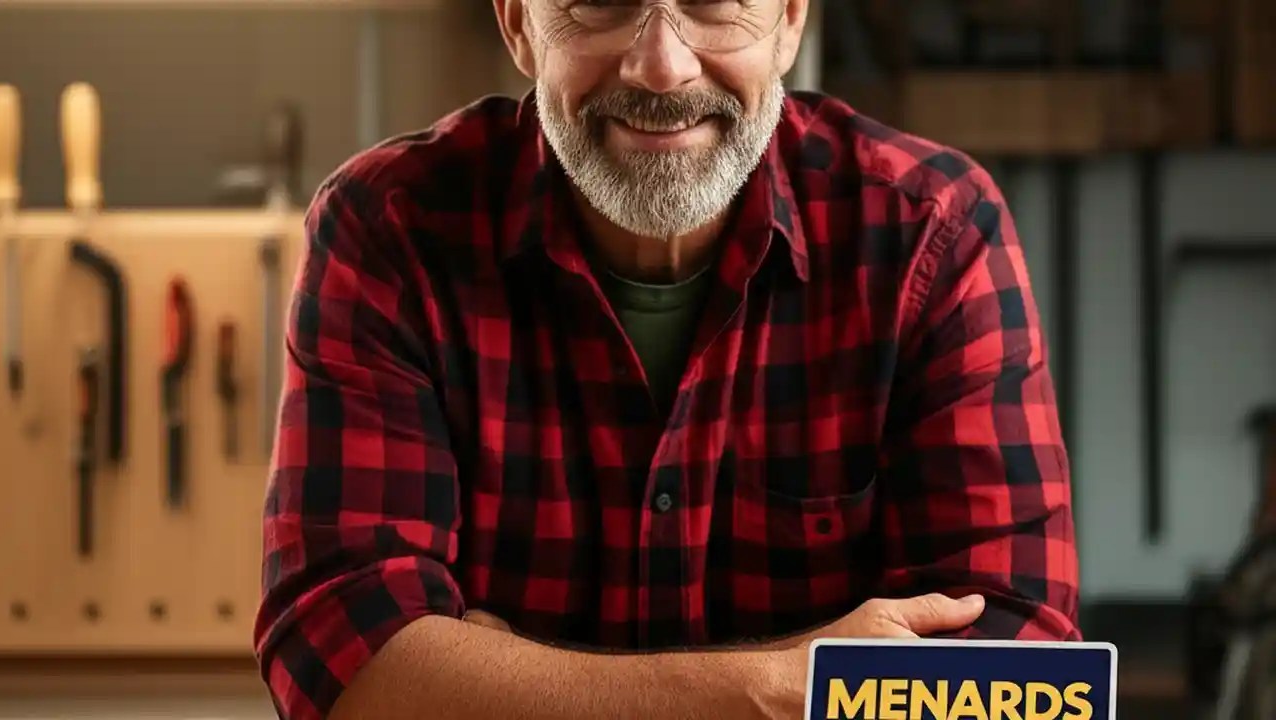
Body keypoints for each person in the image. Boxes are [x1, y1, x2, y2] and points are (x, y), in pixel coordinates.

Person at [252, 1, 1081, 718]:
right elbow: (345, 662)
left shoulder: (932, 232)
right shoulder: (390, 229)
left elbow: (1015, 675)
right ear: (519, 25)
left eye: (715, 3)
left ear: (788, 21)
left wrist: (497, 682)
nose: (660, 66)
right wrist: (782, 689)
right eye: (601, 3)